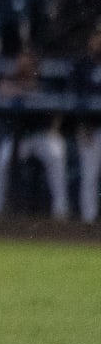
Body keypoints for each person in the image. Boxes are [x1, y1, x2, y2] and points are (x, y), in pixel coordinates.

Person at [0, 50, 69, 220]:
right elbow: (1, 90)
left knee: (56, 154)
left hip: (42, 135)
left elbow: (57, 110)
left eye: (28, 65)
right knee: (3, 161)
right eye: (21, 64)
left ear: (35, 67)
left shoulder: (46, 84)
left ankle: (61, 209)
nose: (24, 67)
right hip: (19, 136)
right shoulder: (10, 81)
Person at [72, 25, 101, 224]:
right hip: (90, 128)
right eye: (96, 36)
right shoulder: (82, 65)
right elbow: (73, 98)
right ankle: (88, 220)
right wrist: (81, 124)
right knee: (89, 175)